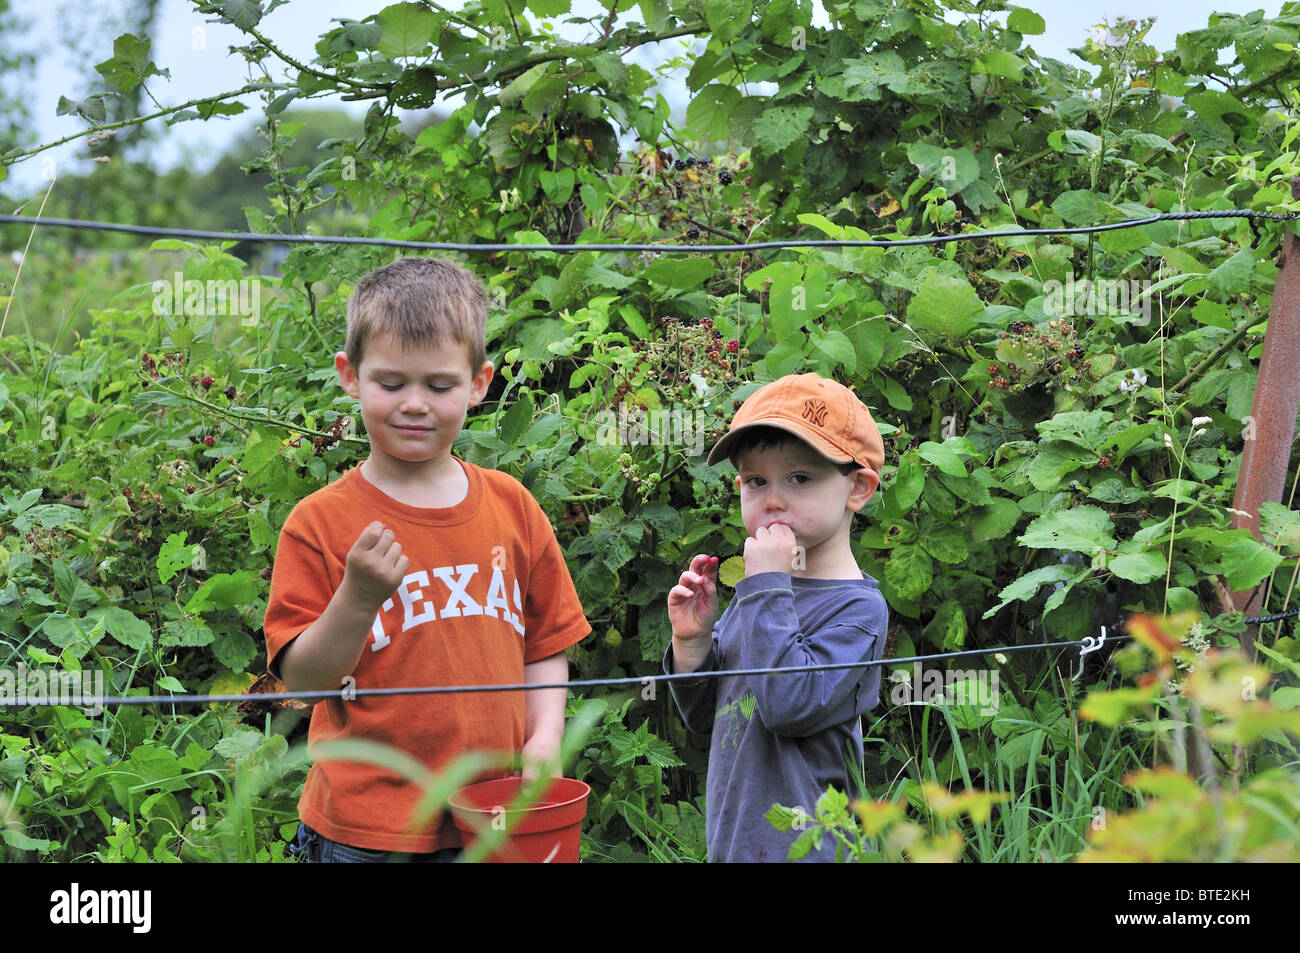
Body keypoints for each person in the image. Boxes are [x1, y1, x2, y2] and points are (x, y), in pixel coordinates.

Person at [263, 256, 590, 862]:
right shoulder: (320, 523)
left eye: (439, 386)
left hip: (496, 810)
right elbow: (303, 685)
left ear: (478, 383)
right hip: (367, 829)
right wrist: (357, 598)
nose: (415, 404)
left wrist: (545, 738)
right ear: (350, 376)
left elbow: (545, 642)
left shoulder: (512, 508)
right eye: (391, 383)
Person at [665, 372, 889, 862]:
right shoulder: (761, 593)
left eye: (800, 478)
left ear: (858, 488)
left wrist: (766, 586)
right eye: (755, 480)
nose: (771, 499)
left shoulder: (857, 610)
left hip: (811, 849)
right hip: (736, 843)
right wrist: (693, 644)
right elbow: (710, 718)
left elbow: (787, 707)